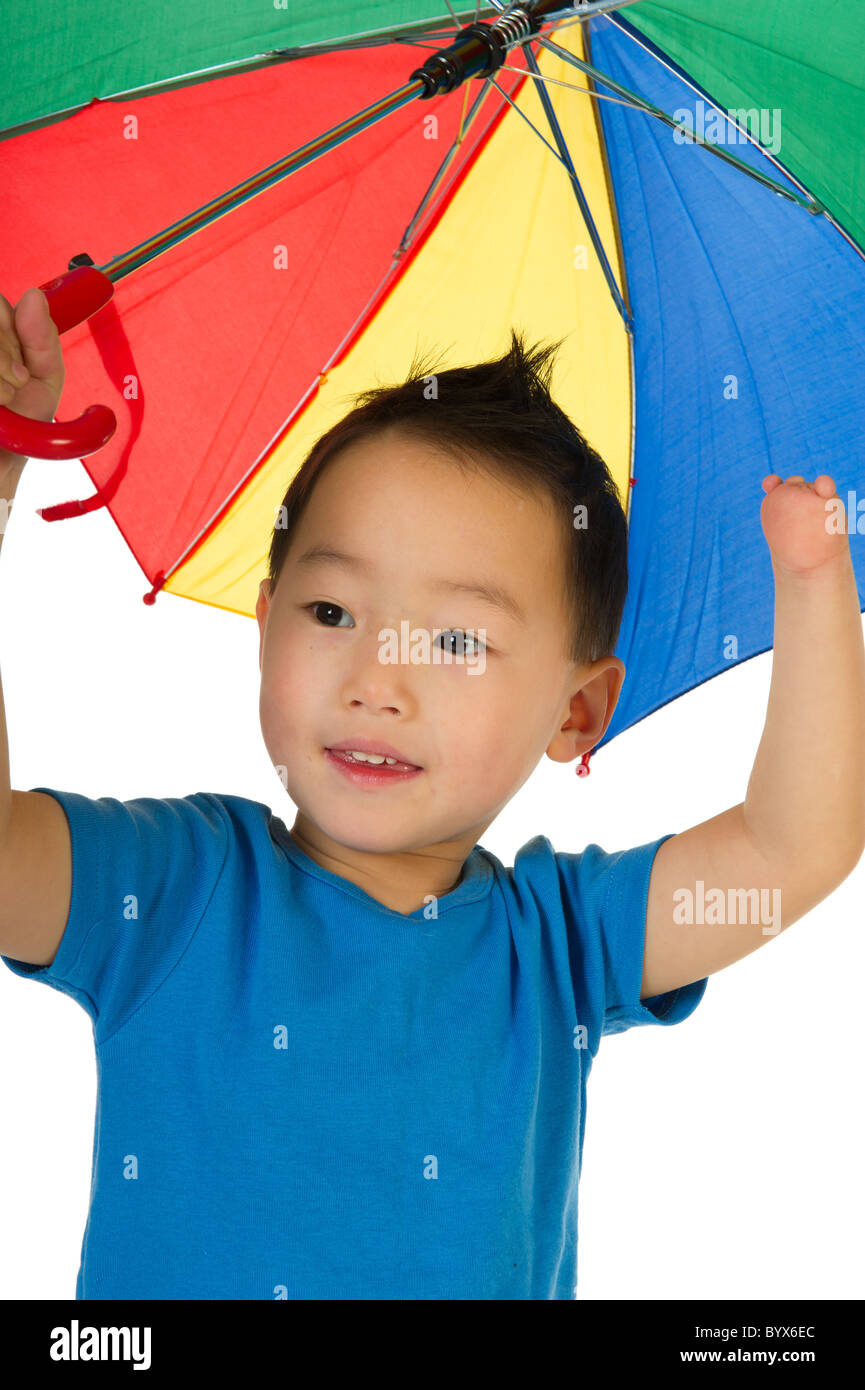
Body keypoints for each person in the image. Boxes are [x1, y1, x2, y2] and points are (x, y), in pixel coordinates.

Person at [0, 286, 862, 1300]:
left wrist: (812, 587)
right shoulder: (179, 891)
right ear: (266, 623)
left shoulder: (558, 945)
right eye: (331, 610)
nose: (379, 676)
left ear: (576, 711)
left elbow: (791, 850)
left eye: (455, 640)